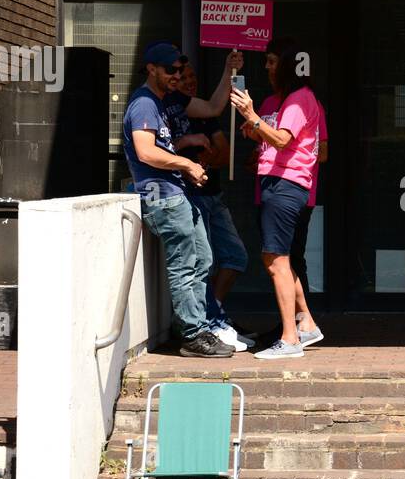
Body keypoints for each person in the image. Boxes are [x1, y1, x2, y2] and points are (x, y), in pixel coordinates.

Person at [123, 41, 235, 358]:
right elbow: (145, 151)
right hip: (162, 197)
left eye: (179, 69)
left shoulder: (165, 100)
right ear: (152, 70)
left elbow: (213, 107)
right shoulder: (144, 104)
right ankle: (192, 335)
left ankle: (194, 325)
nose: (176, 75)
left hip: (177, 193)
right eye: (170, 70)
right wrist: (187, 164)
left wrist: (228, 69)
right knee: (186, 264)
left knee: (202, 258)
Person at [231, 43, 322, 360]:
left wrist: (252, 117)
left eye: (272, 62)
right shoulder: (293, 100)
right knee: (280, 259)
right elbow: (280, 140)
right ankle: (306, 323)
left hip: (284, 185)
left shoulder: (298, 100)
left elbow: (283, 140)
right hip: (282, 184)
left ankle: (290, 338)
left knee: (276, 260)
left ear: (285, 66)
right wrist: (256, 129)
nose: (267, 68)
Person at [165, 54, 256, 352]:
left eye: (190, 77)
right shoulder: (164, 105)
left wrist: (229, 68)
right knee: (200, 262)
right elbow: (160, 149)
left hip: (212, 195)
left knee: (233, 257)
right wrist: (189, 147)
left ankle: (213, 314)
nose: (185, 81)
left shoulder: (198, 109)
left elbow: (223, 154)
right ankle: (202, 324)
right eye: (179, 76)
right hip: (190, 196)